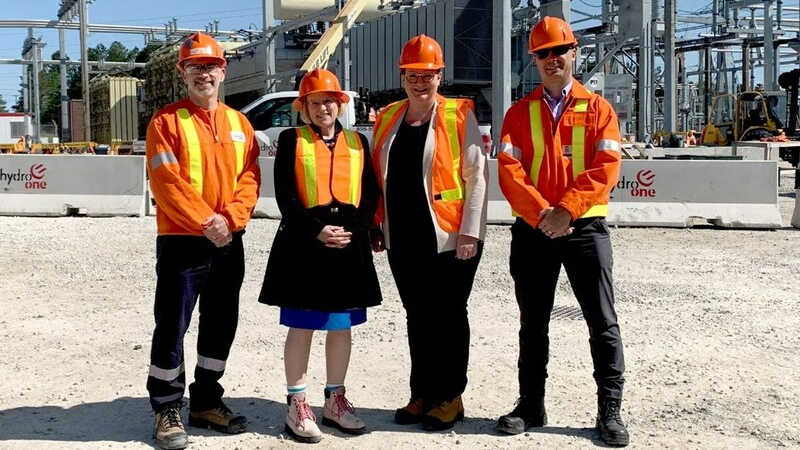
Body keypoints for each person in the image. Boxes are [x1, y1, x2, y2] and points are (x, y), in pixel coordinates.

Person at [495, 16, 630, 447]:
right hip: (534, 231)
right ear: (534, 59)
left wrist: (566, 212)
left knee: (602, 322)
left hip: (585, 228)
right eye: (543, 53)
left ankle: (610, 412)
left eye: (559, 51)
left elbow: (605, 168)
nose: (552, 59)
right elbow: (510, 172)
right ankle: (530, 404)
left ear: (573, 53)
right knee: (532, 323)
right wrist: (541, 214)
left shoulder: (598, 110)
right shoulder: (519, 113)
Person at [144, 31, 261, 450]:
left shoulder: (239, 123)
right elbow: (166, 182)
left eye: (210, 65)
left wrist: (229, 220)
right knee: (172, 324)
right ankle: (167, 407)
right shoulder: (166, 121)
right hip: (182, 241)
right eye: (195, 66)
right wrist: (206, 221)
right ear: (183, 72)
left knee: (220, 322)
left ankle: (207, 401)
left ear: (222, 70)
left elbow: (250, 178)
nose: (203, 73)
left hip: (228, 238)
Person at [370, 34, 488, 432]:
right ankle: (422, 393)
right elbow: (378, 178)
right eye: (412, 75)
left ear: (440, 76)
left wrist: (471, 231)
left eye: (428, 75)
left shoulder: (457, 115)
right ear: (402, 76)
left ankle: (450, 397)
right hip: (404, 237)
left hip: (450, 236)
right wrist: (377, 224)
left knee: (449, 317)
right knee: (417, 316)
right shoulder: (388, 117)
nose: (420, 83)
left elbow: (477, 177)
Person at [257, 68, 382, 444]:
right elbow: (286, 197)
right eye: (315, 102)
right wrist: (317, 230)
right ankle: (297, 403)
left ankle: (335, 399)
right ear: (304, 107)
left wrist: (356, 229)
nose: (323, 108)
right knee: (303, 324)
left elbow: (371, 192)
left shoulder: (360, 142)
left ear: (340, 104)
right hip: (304, 244)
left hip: (348, 244)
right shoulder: (291, 141)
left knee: (341, 324)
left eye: (329, 100)